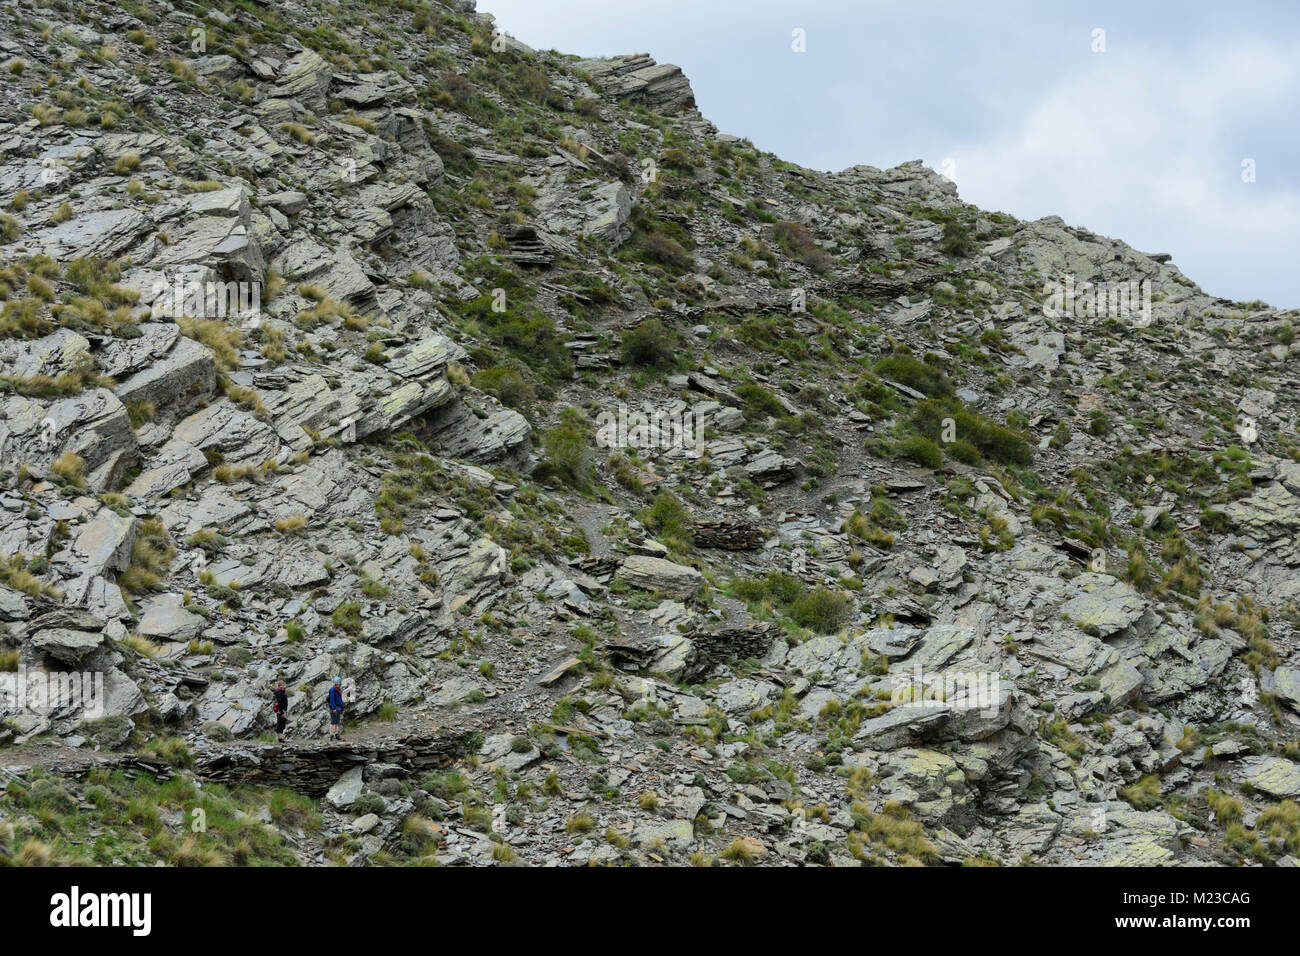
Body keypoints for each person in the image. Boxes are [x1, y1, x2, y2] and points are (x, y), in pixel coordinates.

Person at [327, 677, 345, 742]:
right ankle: (331, 735)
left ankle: (337, 735)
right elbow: (332, 699)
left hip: (339, 708)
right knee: (333, 722)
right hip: (334, 708)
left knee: (337, 722)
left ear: (339, 682)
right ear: (334, 682)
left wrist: (342, 709)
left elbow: (340, 700)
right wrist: (333, 708)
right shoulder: (332, 690)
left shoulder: (339, 690)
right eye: (335, 682)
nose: (336, 683)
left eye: (337, 682)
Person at [272, 679, 289, 744]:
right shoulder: (278, 693)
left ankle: (281, 738)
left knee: (282, 725)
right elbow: (280, 703)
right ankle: (280, 740)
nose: (282, 686)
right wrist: (282, 713)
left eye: (283, 685)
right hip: (281, 711)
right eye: (281, 685)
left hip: (283, 711)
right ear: (279, 686)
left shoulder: (283, 692)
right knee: (280, 725)